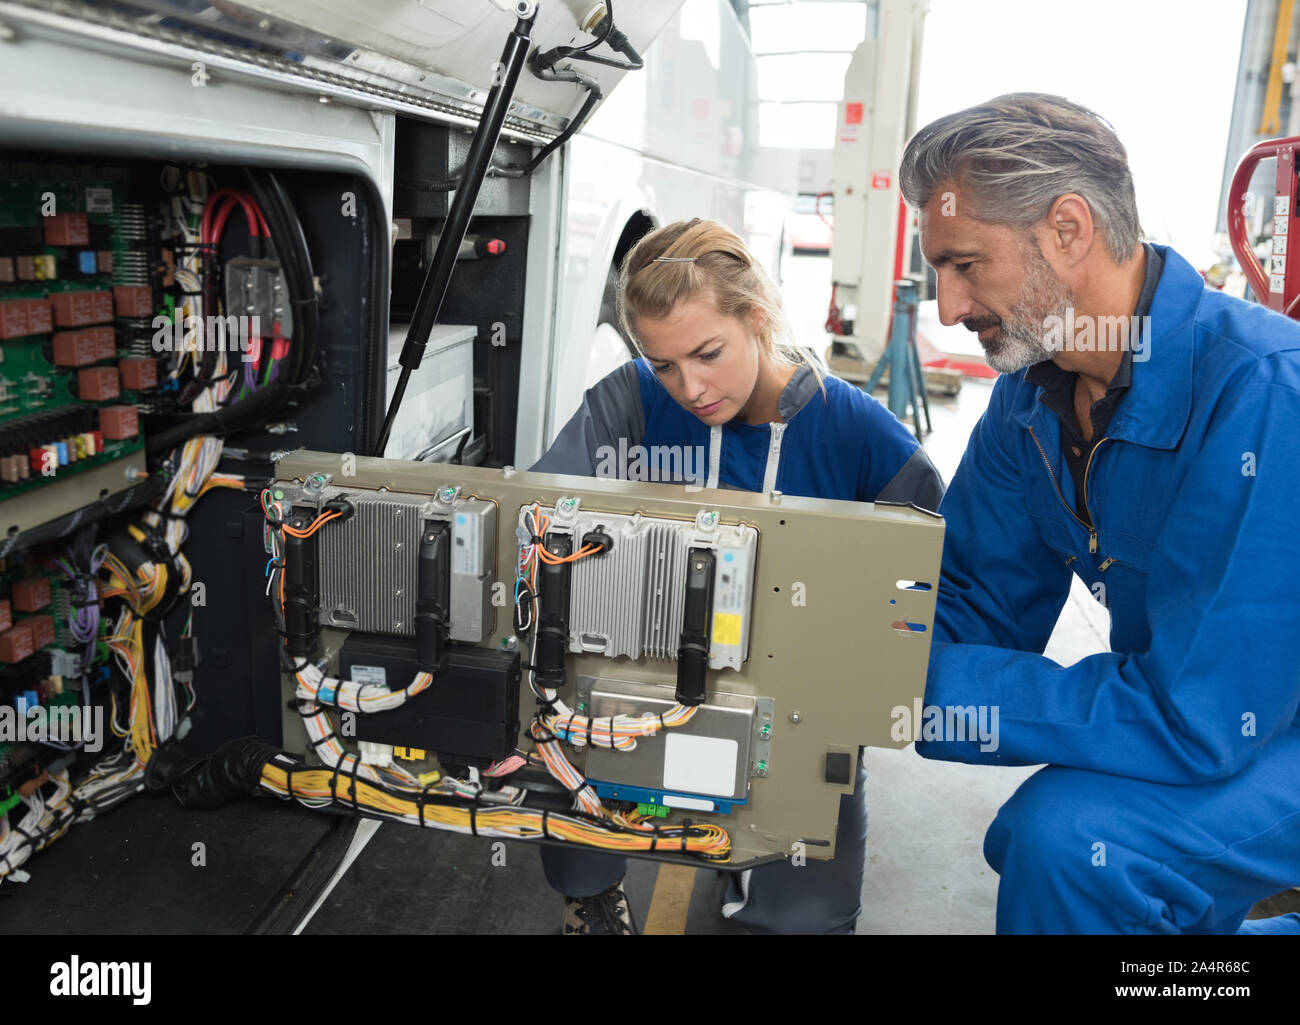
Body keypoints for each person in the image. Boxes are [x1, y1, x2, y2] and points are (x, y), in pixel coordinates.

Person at [899, 92, 1300, 934]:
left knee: (1070, 840)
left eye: (966, 264)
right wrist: (858, 660)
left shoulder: (1264, 396)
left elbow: (1201, 717)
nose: (946, 306)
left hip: (1251, 718)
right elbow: (976, 601)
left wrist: (919, 690)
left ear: (1069, 229)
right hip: (1209, 712)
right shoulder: (1027, 404)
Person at [529, 217, 943, 933]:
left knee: (806, 921)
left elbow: (925, 592)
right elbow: (535, 522)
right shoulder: (628, 400)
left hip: (794, 718)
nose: (688, 387)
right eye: (663, 364)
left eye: (707, 353)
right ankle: (591, 888)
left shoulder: (860, 436)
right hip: (637, 686)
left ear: (756, 316)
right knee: (553, 754)